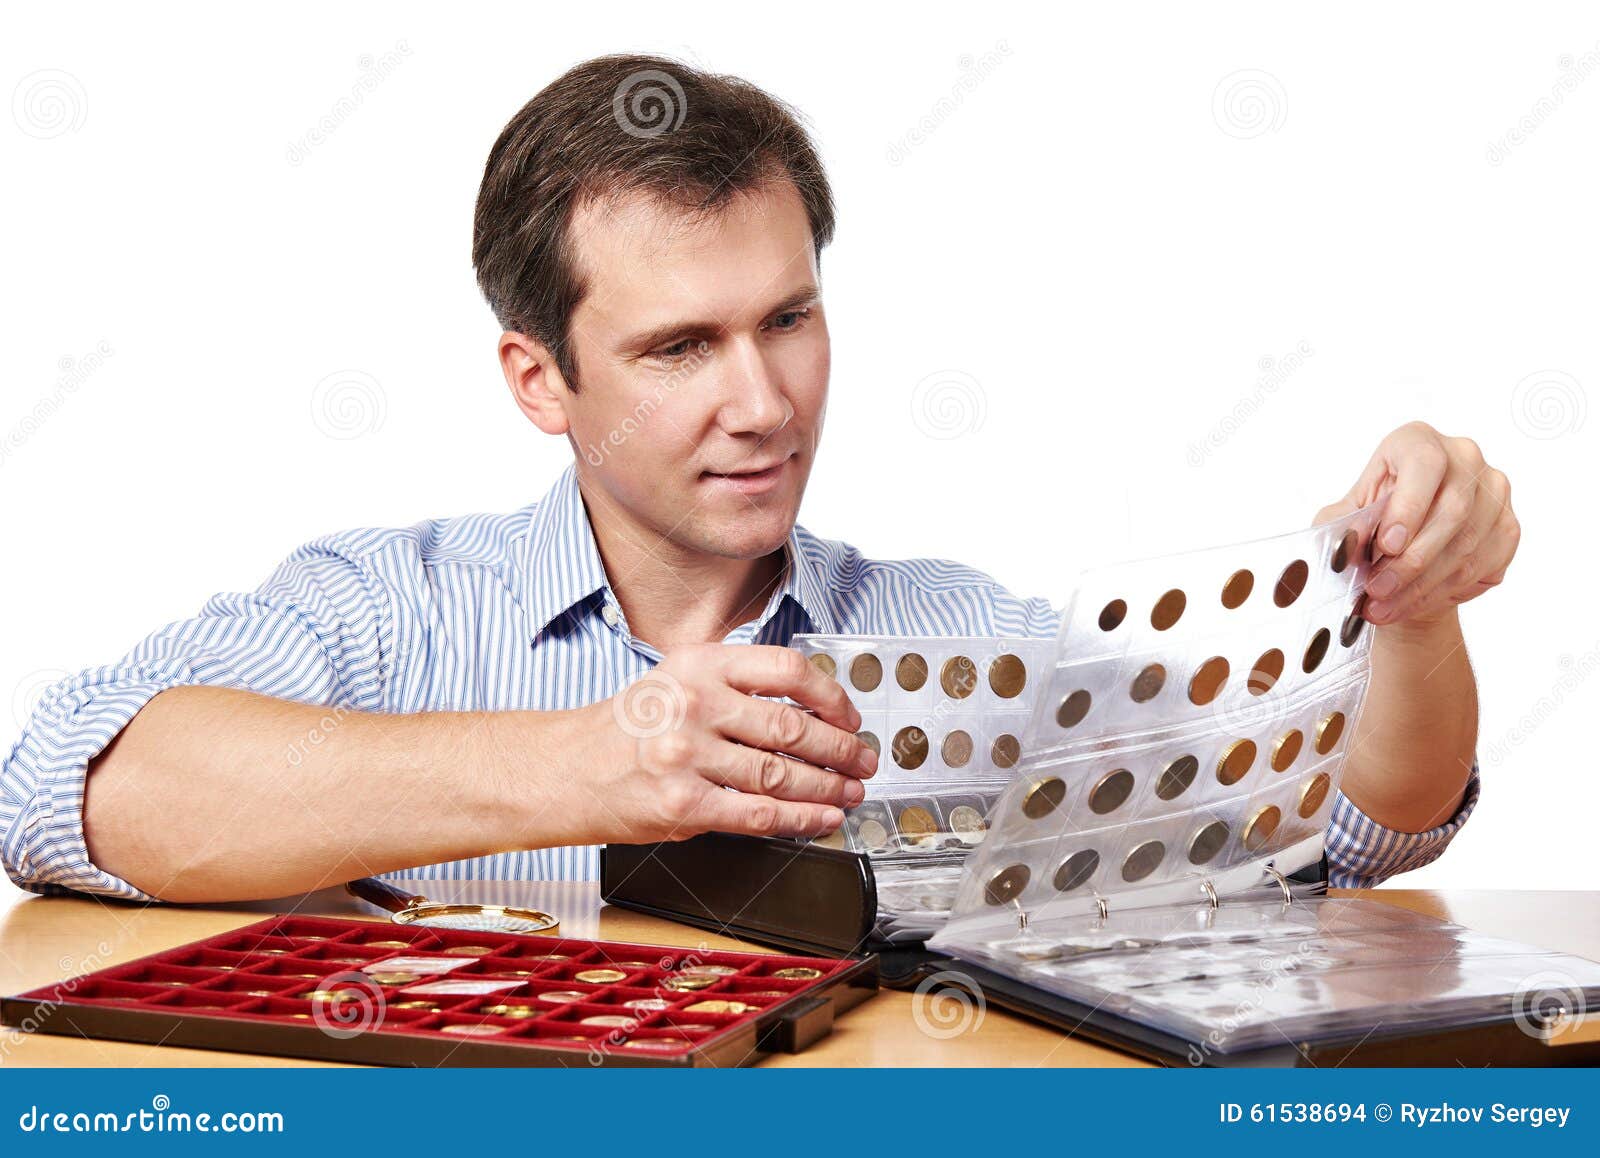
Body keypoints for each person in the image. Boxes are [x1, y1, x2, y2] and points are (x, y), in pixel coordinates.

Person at [0, 55, 1512, 904]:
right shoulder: (381, 612)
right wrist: (588, 764)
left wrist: (1406, 609)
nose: (764, 398)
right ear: (542, 380)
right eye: (678, 346)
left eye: (789, 318)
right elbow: (69, 784)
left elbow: (1345, 833)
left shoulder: (953, 639)